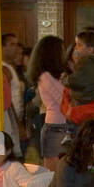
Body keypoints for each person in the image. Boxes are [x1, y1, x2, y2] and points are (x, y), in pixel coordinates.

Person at [30, 34, 70, 169]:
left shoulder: (57, 75)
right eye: (62, 50)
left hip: (65, 124)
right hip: (55, 126)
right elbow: (62, 98)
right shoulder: (45, 76)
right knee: (52, 171)